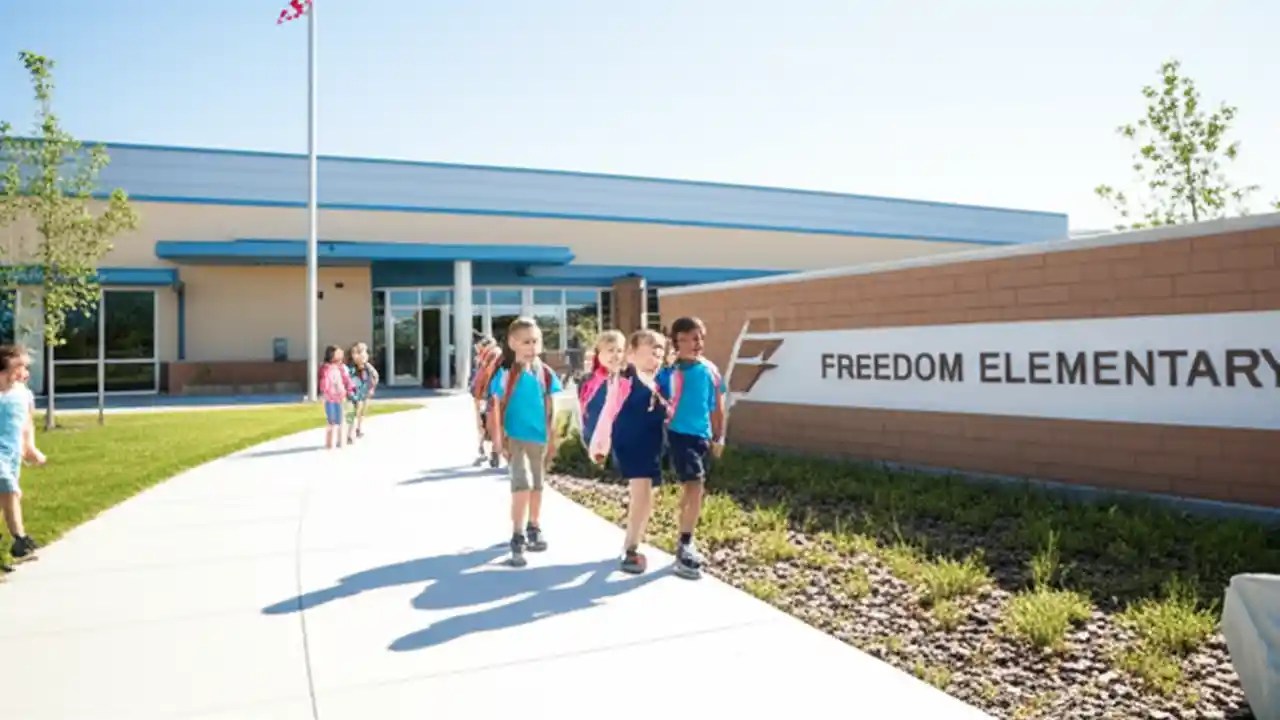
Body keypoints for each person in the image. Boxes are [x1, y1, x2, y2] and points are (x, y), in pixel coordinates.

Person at [587, 329, 670, 574]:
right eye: (650, 346)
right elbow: (608, 412)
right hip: (631, 442)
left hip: (652, 445)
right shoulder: (623, 380)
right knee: (641, 493)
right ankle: (630, 548)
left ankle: (634, 542)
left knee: (646, 498)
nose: (656, 351)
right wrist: (600, 445)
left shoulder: (662, 380)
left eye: (660, 348)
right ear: (631, 354)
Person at [655, 316, 727, 580]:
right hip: (678, 435)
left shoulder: (710, 371)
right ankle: (686, 543)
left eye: (698, 338)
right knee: (696, 485)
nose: (694, 344)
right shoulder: (669, 373)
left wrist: (720, 437)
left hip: (702, 437)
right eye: (687, 339)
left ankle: (683, 532)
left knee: (692, 490)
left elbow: (717, 406)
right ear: (676, 343)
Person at [488, 318, 562, 568]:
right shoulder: (506, 374)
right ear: (512, 343)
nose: (532, 346)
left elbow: (552, 408)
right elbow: (495, 407)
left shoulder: (545, 374)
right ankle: (517, 534)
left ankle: (534, 525)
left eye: (536, 341)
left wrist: (553, 438)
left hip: (539, 438)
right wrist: (498, 440)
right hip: (515, 438)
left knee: (538, 485)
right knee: (522, 484)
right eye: (526, 342)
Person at [0, 344, 46, 571]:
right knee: (9, 488)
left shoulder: (23, 395)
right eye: (19, 366)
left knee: (6, 499)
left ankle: (15, 544)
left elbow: (27, 425)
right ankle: (20, 539)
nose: (24, 373)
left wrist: (30, 448)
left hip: (12, 454)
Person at [577, 330, 626, 453]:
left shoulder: (627, 379)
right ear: (599, 354)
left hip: (620, 438)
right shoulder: (588, 381)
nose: (615, 355)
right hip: (593, 437)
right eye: (610, 350)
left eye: (619, 351)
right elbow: (583, 408)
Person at [471, 336, 503, 467]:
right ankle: (489, 451)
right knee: (491, 424)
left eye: (478, 347)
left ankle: (492, 452)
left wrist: (480, 395)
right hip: (490, 393)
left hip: (490, 394)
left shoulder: (491, 355)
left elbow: (485, 376)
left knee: (489, 424)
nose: (477, 351)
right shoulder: (491, 355)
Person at [318, 344, 355, 449]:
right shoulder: (326, 368)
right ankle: (329, 444)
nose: (341, 355)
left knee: (340, 421)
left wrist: (349, 390)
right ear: (331, 355)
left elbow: (346, 380)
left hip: (340, 398)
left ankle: (341, 441)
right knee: (331, 422)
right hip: (330, 398)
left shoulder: (341, 368)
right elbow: (324, 383)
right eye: (338, 353)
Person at [346, 342, 379, 443]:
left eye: (365, 353)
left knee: (362, 412)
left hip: (364, 392)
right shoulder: (351, 367)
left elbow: (375, 376)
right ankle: (349, 433)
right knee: (352, 413)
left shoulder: (368, 367)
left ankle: (359, 428)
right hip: (354, 393)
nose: (365, 356)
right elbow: (347, 379)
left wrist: (372, 388)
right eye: (361, 353)